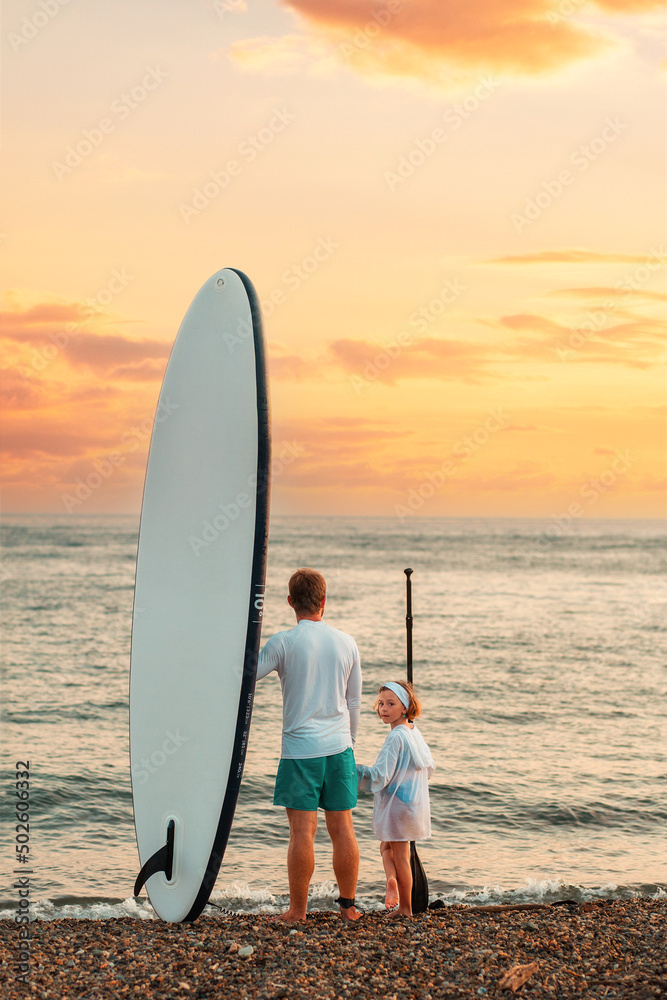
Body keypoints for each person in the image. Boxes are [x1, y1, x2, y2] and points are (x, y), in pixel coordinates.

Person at [256, 568, 362, 923]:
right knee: (342, 828)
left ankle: (298, 912)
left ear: (290, 602)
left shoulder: (283, 642)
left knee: (302, 832)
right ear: (323, 601)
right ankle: (348, 909)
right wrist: (349, 743)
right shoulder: (346, 641)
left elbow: (246, 673)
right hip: (339, 749)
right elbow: (354, 702)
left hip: (300, 752)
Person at [356, 680, 435, 916]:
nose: (384, 708)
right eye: (381, 703)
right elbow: (429, 766)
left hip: (397, 807)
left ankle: (406, 908)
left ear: (405, 707)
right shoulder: (413, 732)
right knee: (386, 847)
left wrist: (352, 770)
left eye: (391, 703)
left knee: (400, 856)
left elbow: (380, 775)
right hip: (413, 804)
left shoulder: (395, 738)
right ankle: (392, 880)